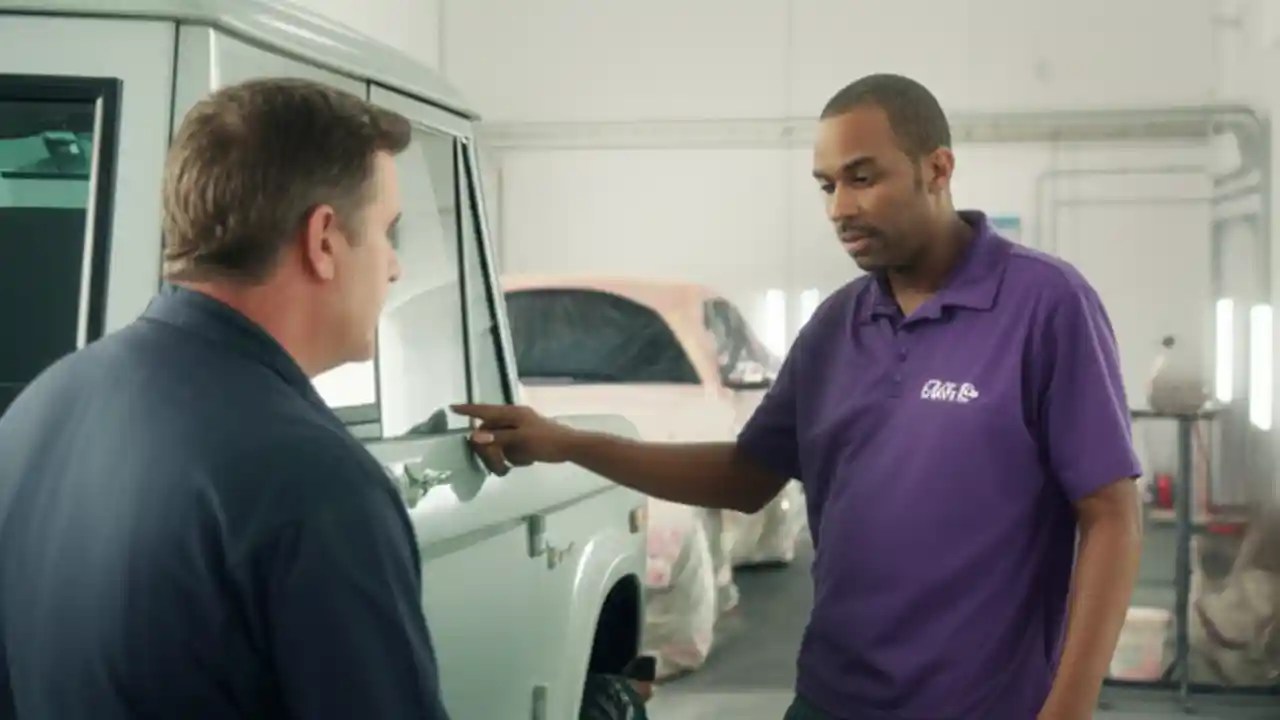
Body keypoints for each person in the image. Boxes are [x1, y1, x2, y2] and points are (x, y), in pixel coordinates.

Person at [454, 73, 1144, 720]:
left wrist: (1069, 707)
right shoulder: (836, 327)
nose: (840, 208)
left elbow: (1111, 515)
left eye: (863, 178)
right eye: (827, 185)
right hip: (831, 697)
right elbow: (748, 475)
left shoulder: (1045, 306)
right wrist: (567, 443)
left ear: (938, 169)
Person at [0, 78, 449, 718]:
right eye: (387, 233)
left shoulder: (38, 411)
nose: (396, 267)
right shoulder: (315, 483)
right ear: (323, 240)